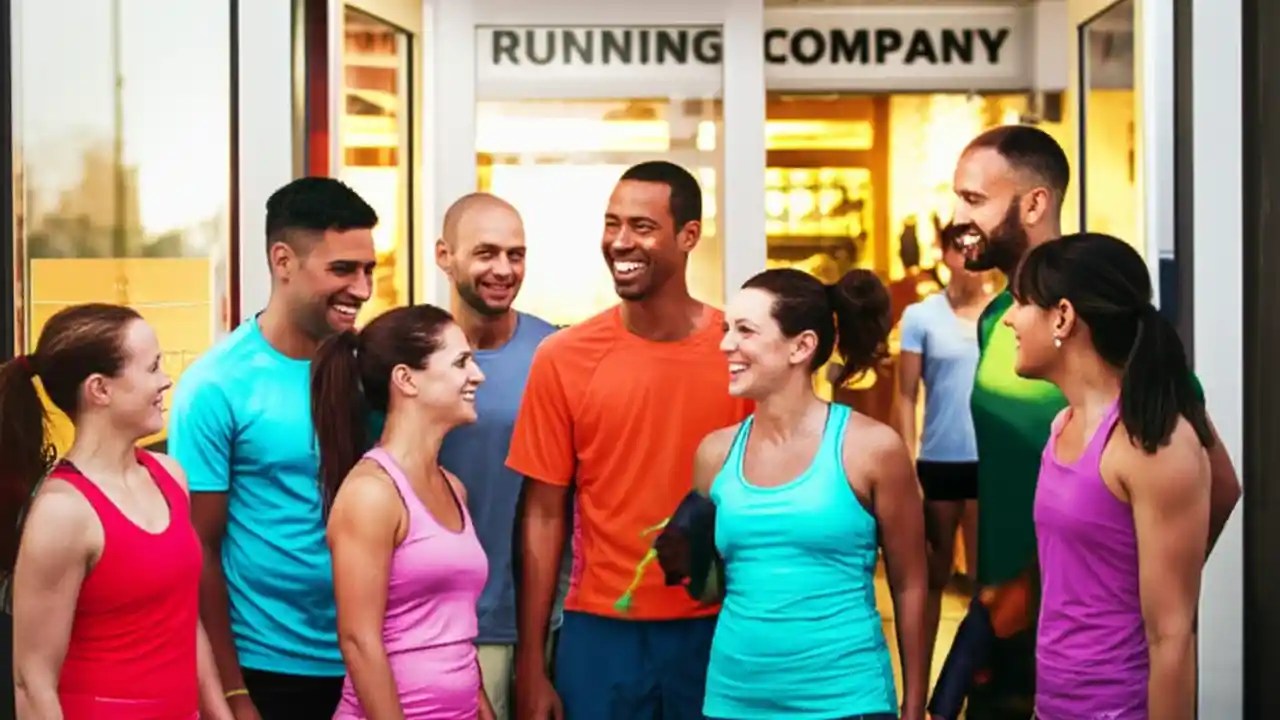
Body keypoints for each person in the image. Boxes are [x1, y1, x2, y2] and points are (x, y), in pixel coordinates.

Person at [948, 124, 1241, 718]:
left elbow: (1218, 485)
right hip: (1013, 631)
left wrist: (1137, 592)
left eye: (974, 199)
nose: (956, 216)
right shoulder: (996, 321)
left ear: (1034, 203)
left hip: (1098, 655)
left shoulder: (1113, 332)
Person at [508, 160, 752, 720]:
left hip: (720, 622)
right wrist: (530, 664)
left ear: (689, 235)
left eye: (642, 226)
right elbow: (544, 514)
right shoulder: (563, 359)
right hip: (600, 632)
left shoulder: (740, 353)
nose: (620, 242)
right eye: (612, 223)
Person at [169, 177, 379, 720]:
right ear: (283, 261)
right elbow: (200, 551)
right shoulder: (217, 385)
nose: (361, 289)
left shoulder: (371, 371)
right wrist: (232, 692)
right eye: (342, 270)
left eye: (368, 270)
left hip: (373, 658)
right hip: (269, 670)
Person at [693, 267, 929, 720]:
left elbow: (910, 582)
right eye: (727, 329)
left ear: (801, 346)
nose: (726, 345)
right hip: (734, 700)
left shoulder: (872, 449)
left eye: (745, 330)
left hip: (847, 700)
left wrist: (914, 705)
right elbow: (711, 586)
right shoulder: (714, 454)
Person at [1005, 232, 1210, 719]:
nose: (1010, 318)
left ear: (1063, 316)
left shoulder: (1149, 444)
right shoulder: (1063, 425)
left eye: (1020, 302)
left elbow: (1172, 636)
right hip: (1054, 704)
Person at [3, 304, 232, 719]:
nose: (166, 380)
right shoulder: (63, 513)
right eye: (152, 368)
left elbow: (183, 622)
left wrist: (221, 714)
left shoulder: (169, 476)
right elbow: (33, 682)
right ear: (100, 389)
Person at [310, 304, 495, 720]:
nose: (477, 376)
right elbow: (359, 640)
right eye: (461, 362)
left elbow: (453, 630)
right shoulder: (372, 495)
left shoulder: (454, 488)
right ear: (406, 379)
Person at [434, 192, 559, 718]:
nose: (504, 269)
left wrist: (533, 659)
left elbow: (553, 505)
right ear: (445, 255)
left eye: (516, 254)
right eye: (486, 253)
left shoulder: (554, 354)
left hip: (535, 626)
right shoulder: (409, 355)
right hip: (434, 626)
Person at [893, 228, 990, 666]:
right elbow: (906, 393)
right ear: (946, 253)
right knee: (932, 575)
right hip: (939, 458)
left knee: (984, 579)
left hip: (991, 460)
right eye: (961, 249)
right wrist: (906, 461)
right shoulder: (921, 316)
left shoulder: (1004, 314)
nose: (968, 258)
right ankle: (919, 682)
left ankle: (978, 681)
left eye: (977, 250)